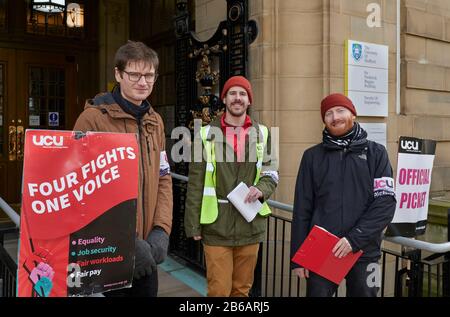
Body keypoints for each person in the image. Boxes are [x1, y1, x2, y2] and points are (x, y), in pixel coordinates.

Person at [73, 41, 173, 297]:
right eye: (135, 75)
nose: (143, 82)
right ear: (118, 75)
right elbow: (81, 189)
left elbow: (163, 178)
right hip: (107, 252)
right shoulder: (93, 119)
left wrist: (161, 230)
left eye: (149, 75)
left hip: (146, 254)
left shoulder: (155, 121)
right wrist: (125, 241)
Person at [290, 93, 396, 297]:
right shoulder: (312, 156)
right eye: (328, 113)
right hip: (321, 251)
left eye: (340, 110)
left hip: (365, 251)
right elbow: (302, 209)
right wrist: (298, 258)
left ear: (353, 114)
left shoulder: (377, 153)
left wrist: (353, 240)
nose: (334, 117)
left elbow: (385, 203)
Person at [184, 76, 279, 297]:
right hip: (216, 226)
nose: (238, 98)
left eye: (243, 94)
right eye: (233, 93)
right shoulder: (204, 134)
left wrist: (262, 189)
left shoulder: (264, 134)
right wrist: (193, 225)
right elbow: (196, 182)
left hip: (250, 225)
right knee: (219, 291)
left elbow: (271, 173)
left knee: (242, 290)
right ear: (225, 99)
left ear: (249, 101)